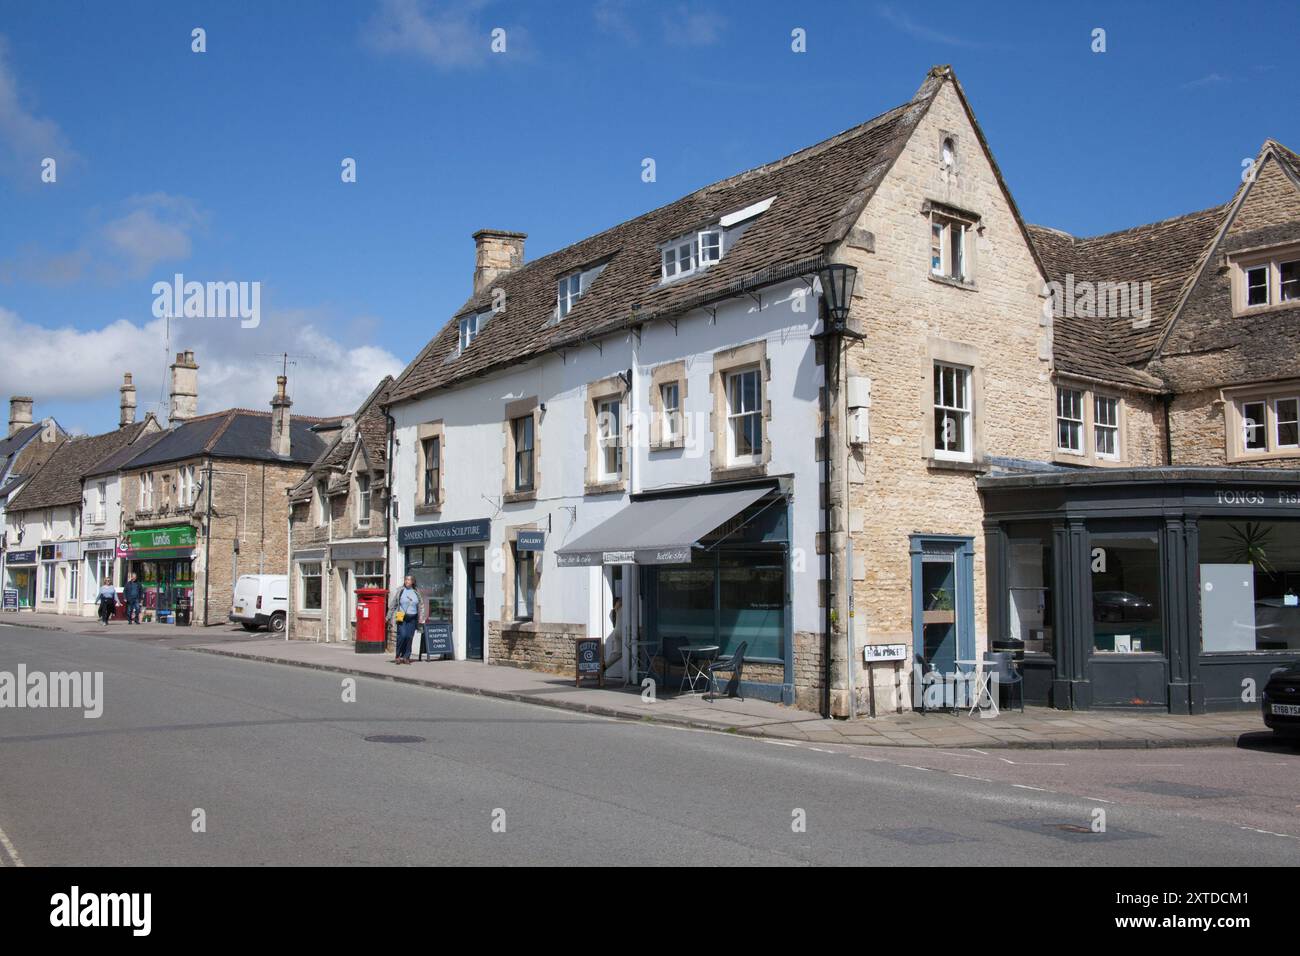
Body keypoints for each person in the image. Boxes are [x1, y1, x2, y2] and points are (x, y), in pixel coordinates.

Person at [387, 575, 421, 665]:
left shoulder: (416, 591)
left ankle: (406, 657)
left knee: (409, 637)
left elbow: (421, 605)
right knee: (402, 636)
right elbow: (393, 604)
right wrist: (388, 617)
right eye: (406, 579)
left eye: (409, 580)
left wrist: (422, 617)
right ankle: (398, 656)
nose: (407, 581)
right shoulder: (400, 591)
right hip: (400, 615)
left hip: (413, 616)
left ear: (413, 581)